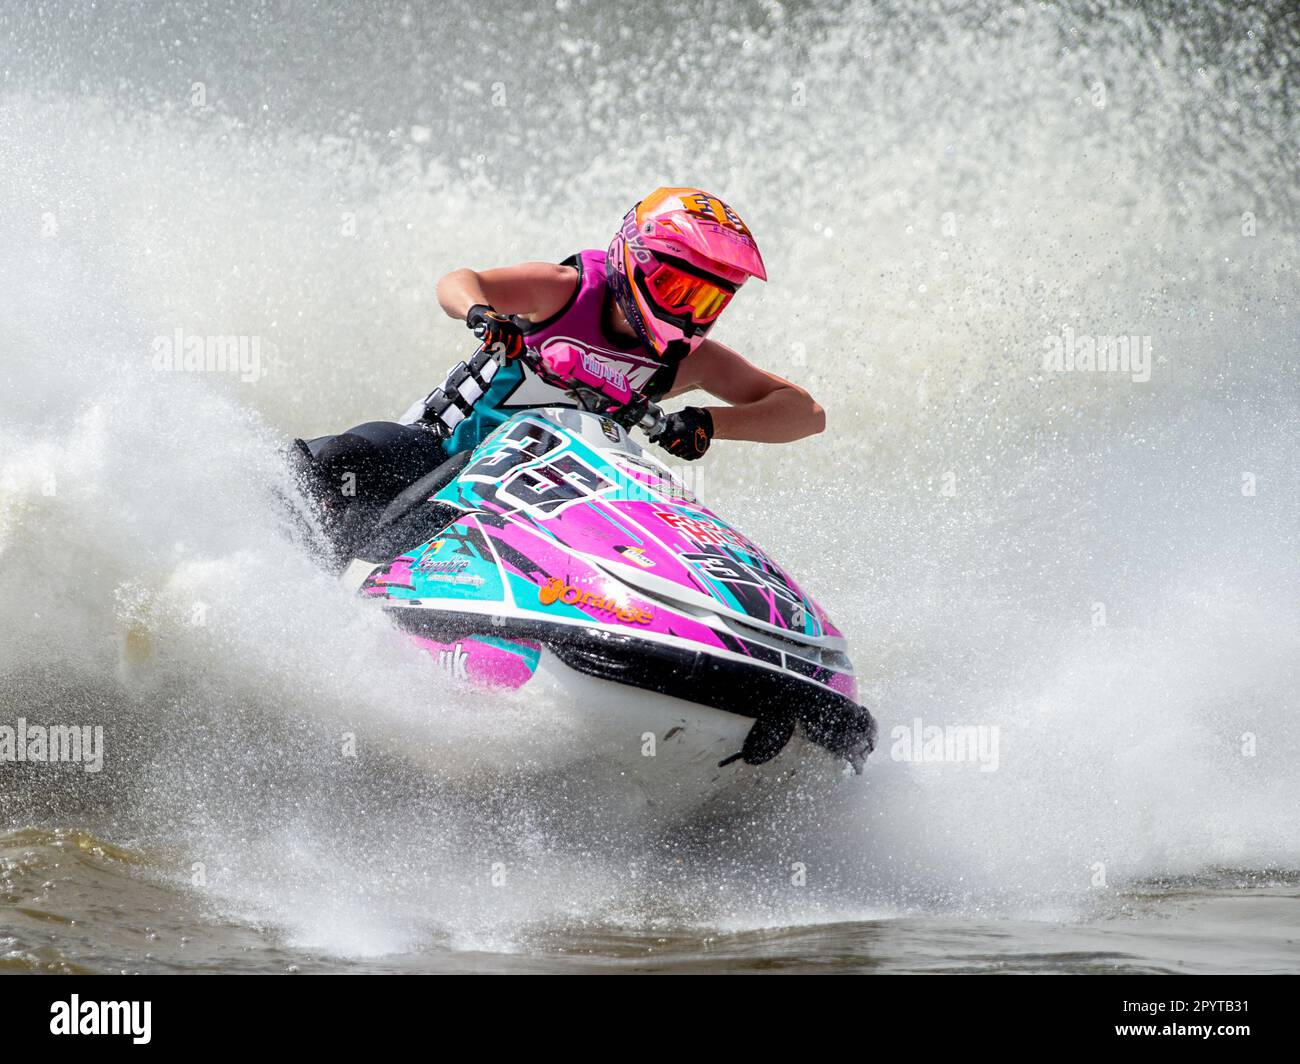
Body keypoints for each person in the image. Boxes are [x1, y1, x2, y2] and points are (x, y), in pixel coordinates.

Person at [294, 187, 824, 546]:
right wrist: (482, 314)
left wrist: (709, 424)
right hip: (436, 449)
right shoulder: (562, 292)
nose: (687, 312)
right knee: (344, 458)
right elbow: (457, 280)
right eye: (677, 287)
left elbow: (805, 414)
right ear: (636, 260)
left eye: (707, 301)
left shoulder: (687, 361)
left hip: (543, 508)